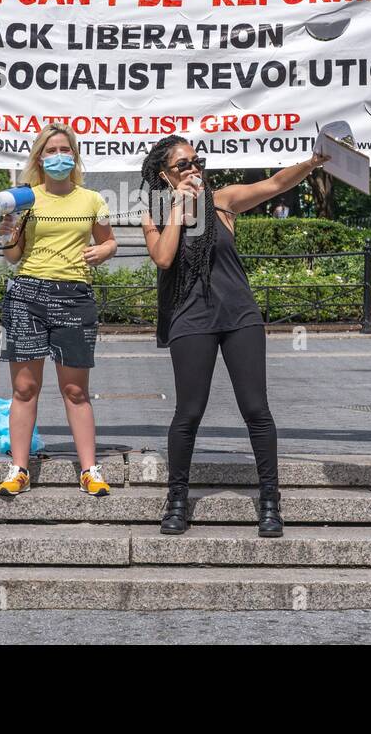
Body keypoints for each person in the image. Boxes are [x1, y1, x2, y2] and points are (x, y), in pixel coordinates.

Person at [140, 136, 329, 538]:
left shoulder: (222, 201)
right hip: (190, 321)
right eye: (183, 166)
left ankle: (269, 502)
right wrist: (178, 208)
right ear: (164, 175)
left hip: (239, 315)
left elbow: (275, 185)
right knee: (188, 412)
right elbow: (164, 257)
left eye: (197, 161)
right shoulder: (154, 212)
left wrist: (313, 162)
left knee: (256, 409)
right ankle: (176, 501)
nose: (194, 169)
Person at [0, 124, 117, 498]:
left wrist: (103, 252)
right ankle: (19, 469)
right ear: (40, 158)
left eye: (65, 149)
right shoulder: (24, 199)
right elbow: (13, 256)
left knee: (75, 390)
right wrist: (7, 235)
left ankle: (89, 470)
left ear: (75, 156)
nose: (58, 156)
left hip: (75, 298)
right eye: (51, 151)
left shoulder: (92, 199)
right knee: (25, 387)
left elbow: (108, 241)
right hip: (27, 295)